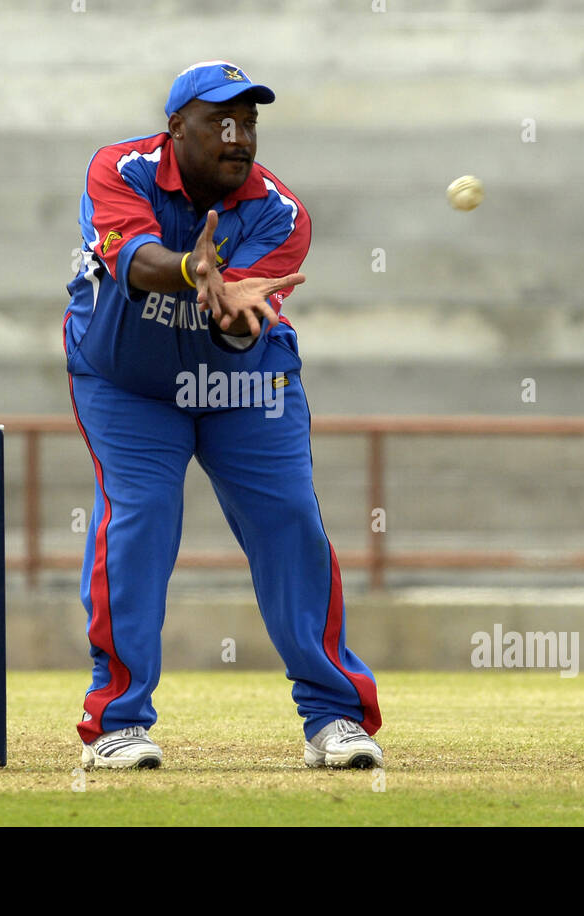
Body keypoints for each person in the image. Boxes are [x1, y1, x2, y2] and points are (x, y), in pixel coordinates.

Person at [62, 61, 382, 770]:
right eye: (221, 123)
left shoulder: (280, 213)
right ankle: (117, 721)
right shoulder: (122, 169)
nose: (239, 138)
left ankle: (335, 718)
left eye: (250, 123)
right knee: (139, 521)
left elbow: (241, 325)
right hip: (128, 382)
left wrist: (234, 311)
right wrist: (190, 270)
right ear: (177, 128)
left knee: (291, 521)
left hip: (241, 382)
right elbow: (134, 260)